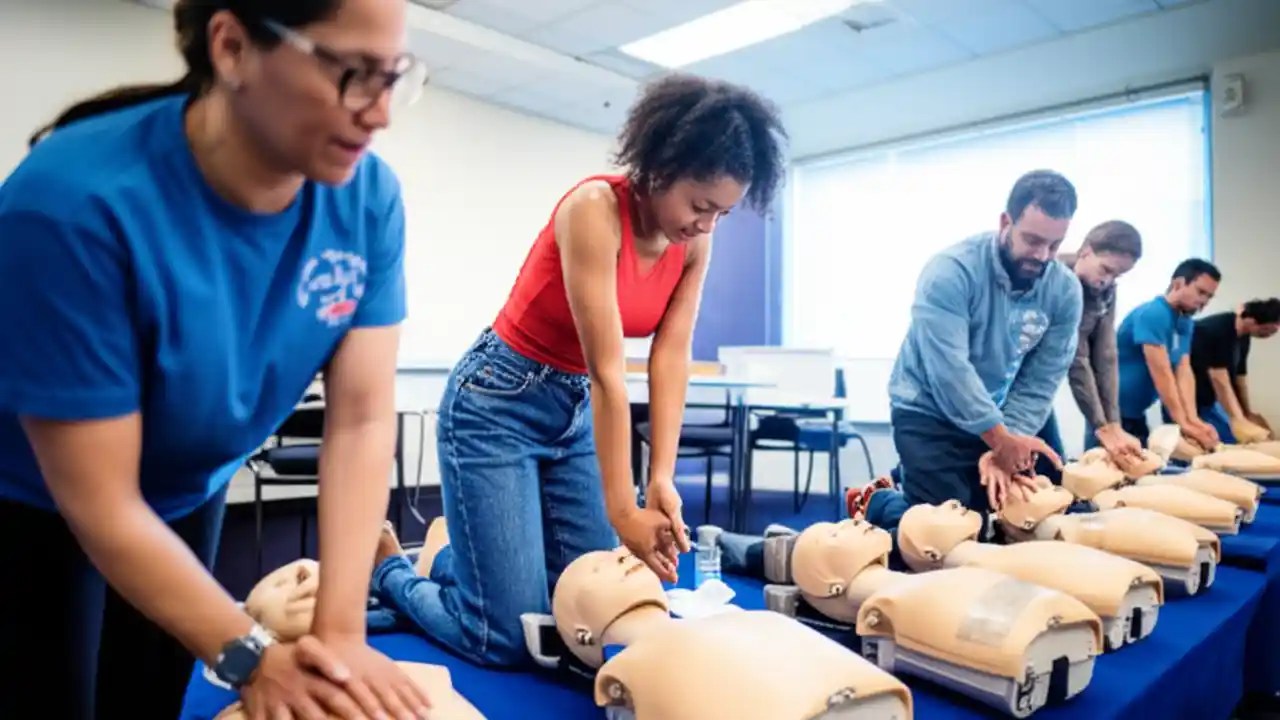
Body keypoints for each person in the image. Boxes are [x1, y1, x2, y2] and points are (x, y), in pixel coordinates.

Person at [0, 2, 434, 719]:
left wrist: (341, 634)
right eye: (355, 74)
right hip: (34, 501)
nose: (380, 112)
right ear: (232, 47)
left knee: (145, 694)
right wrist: (247, 653)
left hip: (187, 484)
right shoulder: (70, 206)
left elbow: (359, 423)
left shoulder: (367, 199)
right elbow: (100, 501)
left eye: (395, 76)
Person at [379, 74, 787, 667]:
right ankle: (391, 567)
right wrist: (623, 511)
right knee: (506, 638)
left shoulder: (694, 241)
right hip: (497, 403)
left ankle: (456, 557)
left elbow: (669, 357)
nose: (706, 225)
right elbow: (608, 372)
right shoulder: (593, 209)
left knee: (581, 604)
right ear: (660, 166)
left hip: (572, 414)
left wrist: (662, 478)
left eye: (721, 214)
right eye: (700, 206)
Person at [848, 170, 1082, 530]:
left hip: (996, 411)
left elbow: (1041, 378)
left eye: (1054, 244)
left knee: (1021, 515)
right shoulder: (950, 272)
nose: (1042, 255)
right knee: (951, 531)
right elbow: (949, 370)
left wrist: (1009, 441)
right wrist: (1000, 440)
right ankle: (877, 500)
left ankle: (913, 483)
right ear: (1006, 222)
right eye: (1032, 240)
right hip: (928, 408)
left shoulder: (1064, 290)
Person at [1035, 220, 1145, 479]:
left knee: (1055, 471)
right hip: (1014, 387)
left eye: (1116, 275)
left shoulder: (1105, 289)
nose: (1107, 280)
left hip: (1038, 392)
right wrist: (1101, 426)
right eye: (1105, 269)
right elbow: (1076, 357)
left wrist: (1114, 423)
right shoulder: (1053, 278)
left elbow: (1106, 355)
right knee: (1050, 469)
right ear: (1085, 251)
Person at [1114, 259, 1221, 449]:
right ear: (1178, 283)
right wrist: (1182, 422)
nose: (1204, 301)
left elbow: (1183, 369)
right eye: (1200, 292)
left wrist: (1193, 419)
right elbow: (1162, 372)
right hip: (1112, 414)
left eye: (1209, 297)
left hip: (1136, 412)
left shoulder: (1185, 321)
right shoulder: (1154, 313)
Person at [1188, 298, 1280, 443]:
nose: (1268, 335)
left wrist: (1247, 412)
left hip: (1209, 399)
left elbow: (1240, 377)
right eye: (1268, 330)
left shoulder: (1244, 337)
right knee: (1208, 442)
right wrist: (1239, 419)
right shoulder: (1219, 329)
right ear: (1251, 320)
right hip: (1188, 398)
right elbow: (1219, 379)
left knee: (1232, 438)